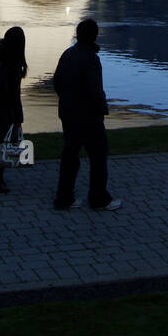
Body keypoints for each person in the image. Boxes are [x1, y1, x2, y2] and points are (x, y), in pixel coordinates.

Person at [52, 18, 121, 211]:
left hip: (68, 114)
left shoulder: (67, 54)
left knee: (70, 156)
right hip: (89, 117)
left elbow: (57, 81)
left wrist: (66, 100)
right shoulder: (91, 58)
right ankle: (99, 199)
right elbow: (95, 90)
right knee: (98, 157)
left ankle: (64, 197)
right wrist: (102, 109)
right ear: (94, 36)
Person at [0, 26, 27, 194]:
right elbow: (10, 92)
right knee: (1, 143)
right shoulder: (9, 60)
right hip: (2, 106)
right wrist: (17, 117)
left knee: (1, 142)